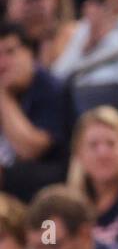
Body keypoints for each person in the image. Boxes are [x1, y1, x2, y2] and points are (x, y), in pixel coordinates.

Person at [0, 21, 74, 203]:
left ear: (29, 53)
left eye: (10, 52)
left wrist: (3, 97)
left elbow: (31, 149)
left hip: (53, 173)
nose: (2, 63)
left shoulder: (50, 88)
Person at [66, 106, 118, 245]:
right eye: (93, 145)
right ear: (78, 154)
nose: (103, 154)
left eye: (111, 144)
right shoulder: (71, 209)